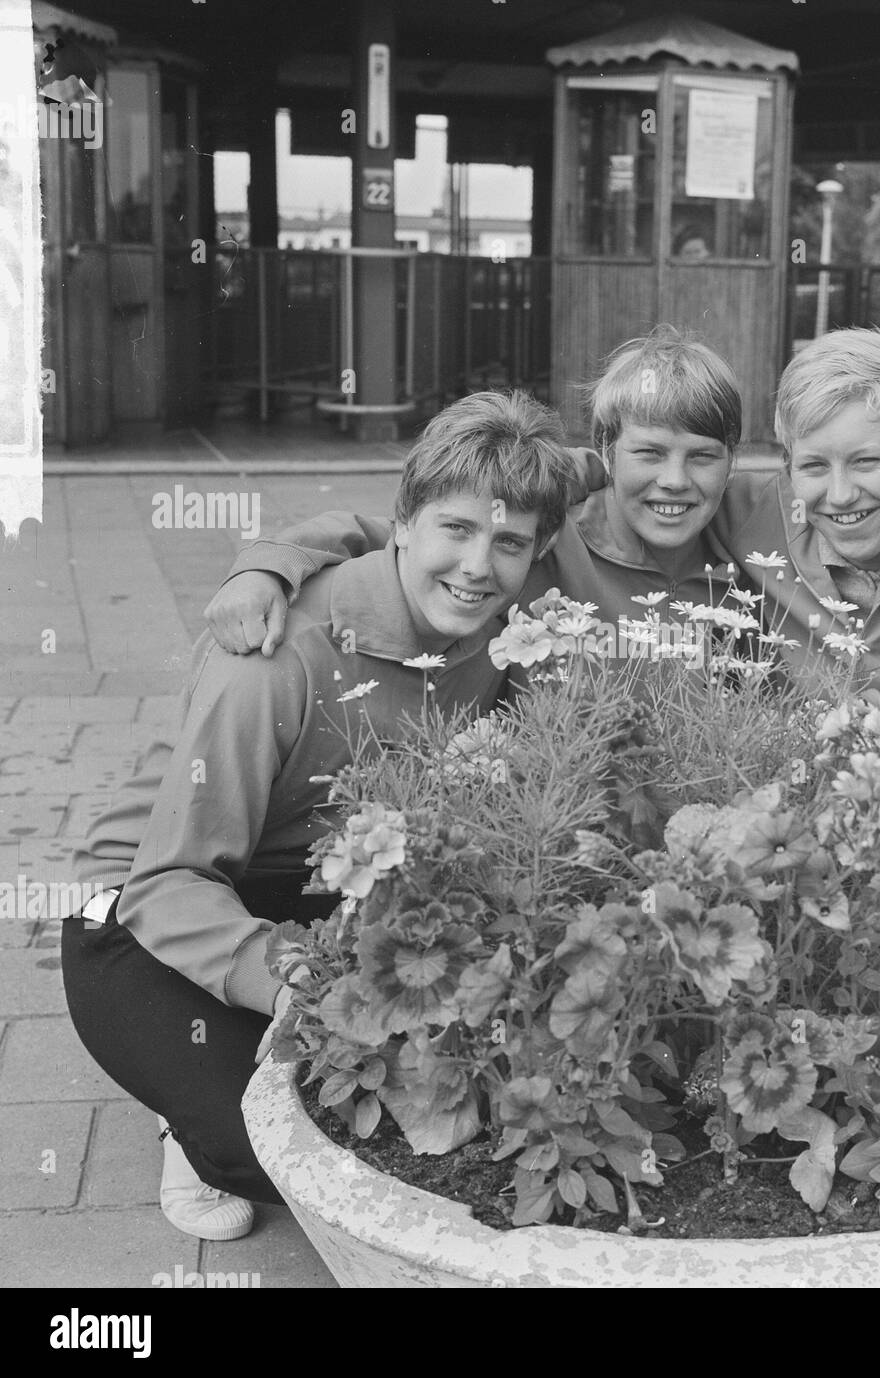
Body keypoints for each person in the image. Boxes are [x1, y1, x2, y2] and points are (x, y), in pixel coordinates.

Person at [65, 391, 577, 1240]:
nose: (479, 565)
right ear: (401, 523)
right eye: (456, 529)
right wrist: (294, 982)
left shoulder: (503, 630)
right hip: (151, 908)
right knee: (278, 1149)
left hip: (329, 896)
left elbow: (589, 473)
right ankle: (185, 1121)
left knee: (422, 1117)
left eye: (509, 543)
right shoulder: (278, 653)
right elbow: (169, 877)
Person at [204, 328, 880, 720]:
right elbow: (449, 503)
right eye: (812, 463)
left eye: (868, 461)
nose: (840, 492)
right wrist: (269, 561)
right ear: (780, 462)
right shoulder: (734, 503)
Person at [207, 325, 750, 660]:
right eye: (649, 453)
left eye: (702, 456)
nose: (675, 480)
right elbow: (394, 533)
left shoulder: (744, 542)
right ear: (607, 450)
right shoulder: (550, 516)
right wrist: (266, 566)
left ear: (732, 460)